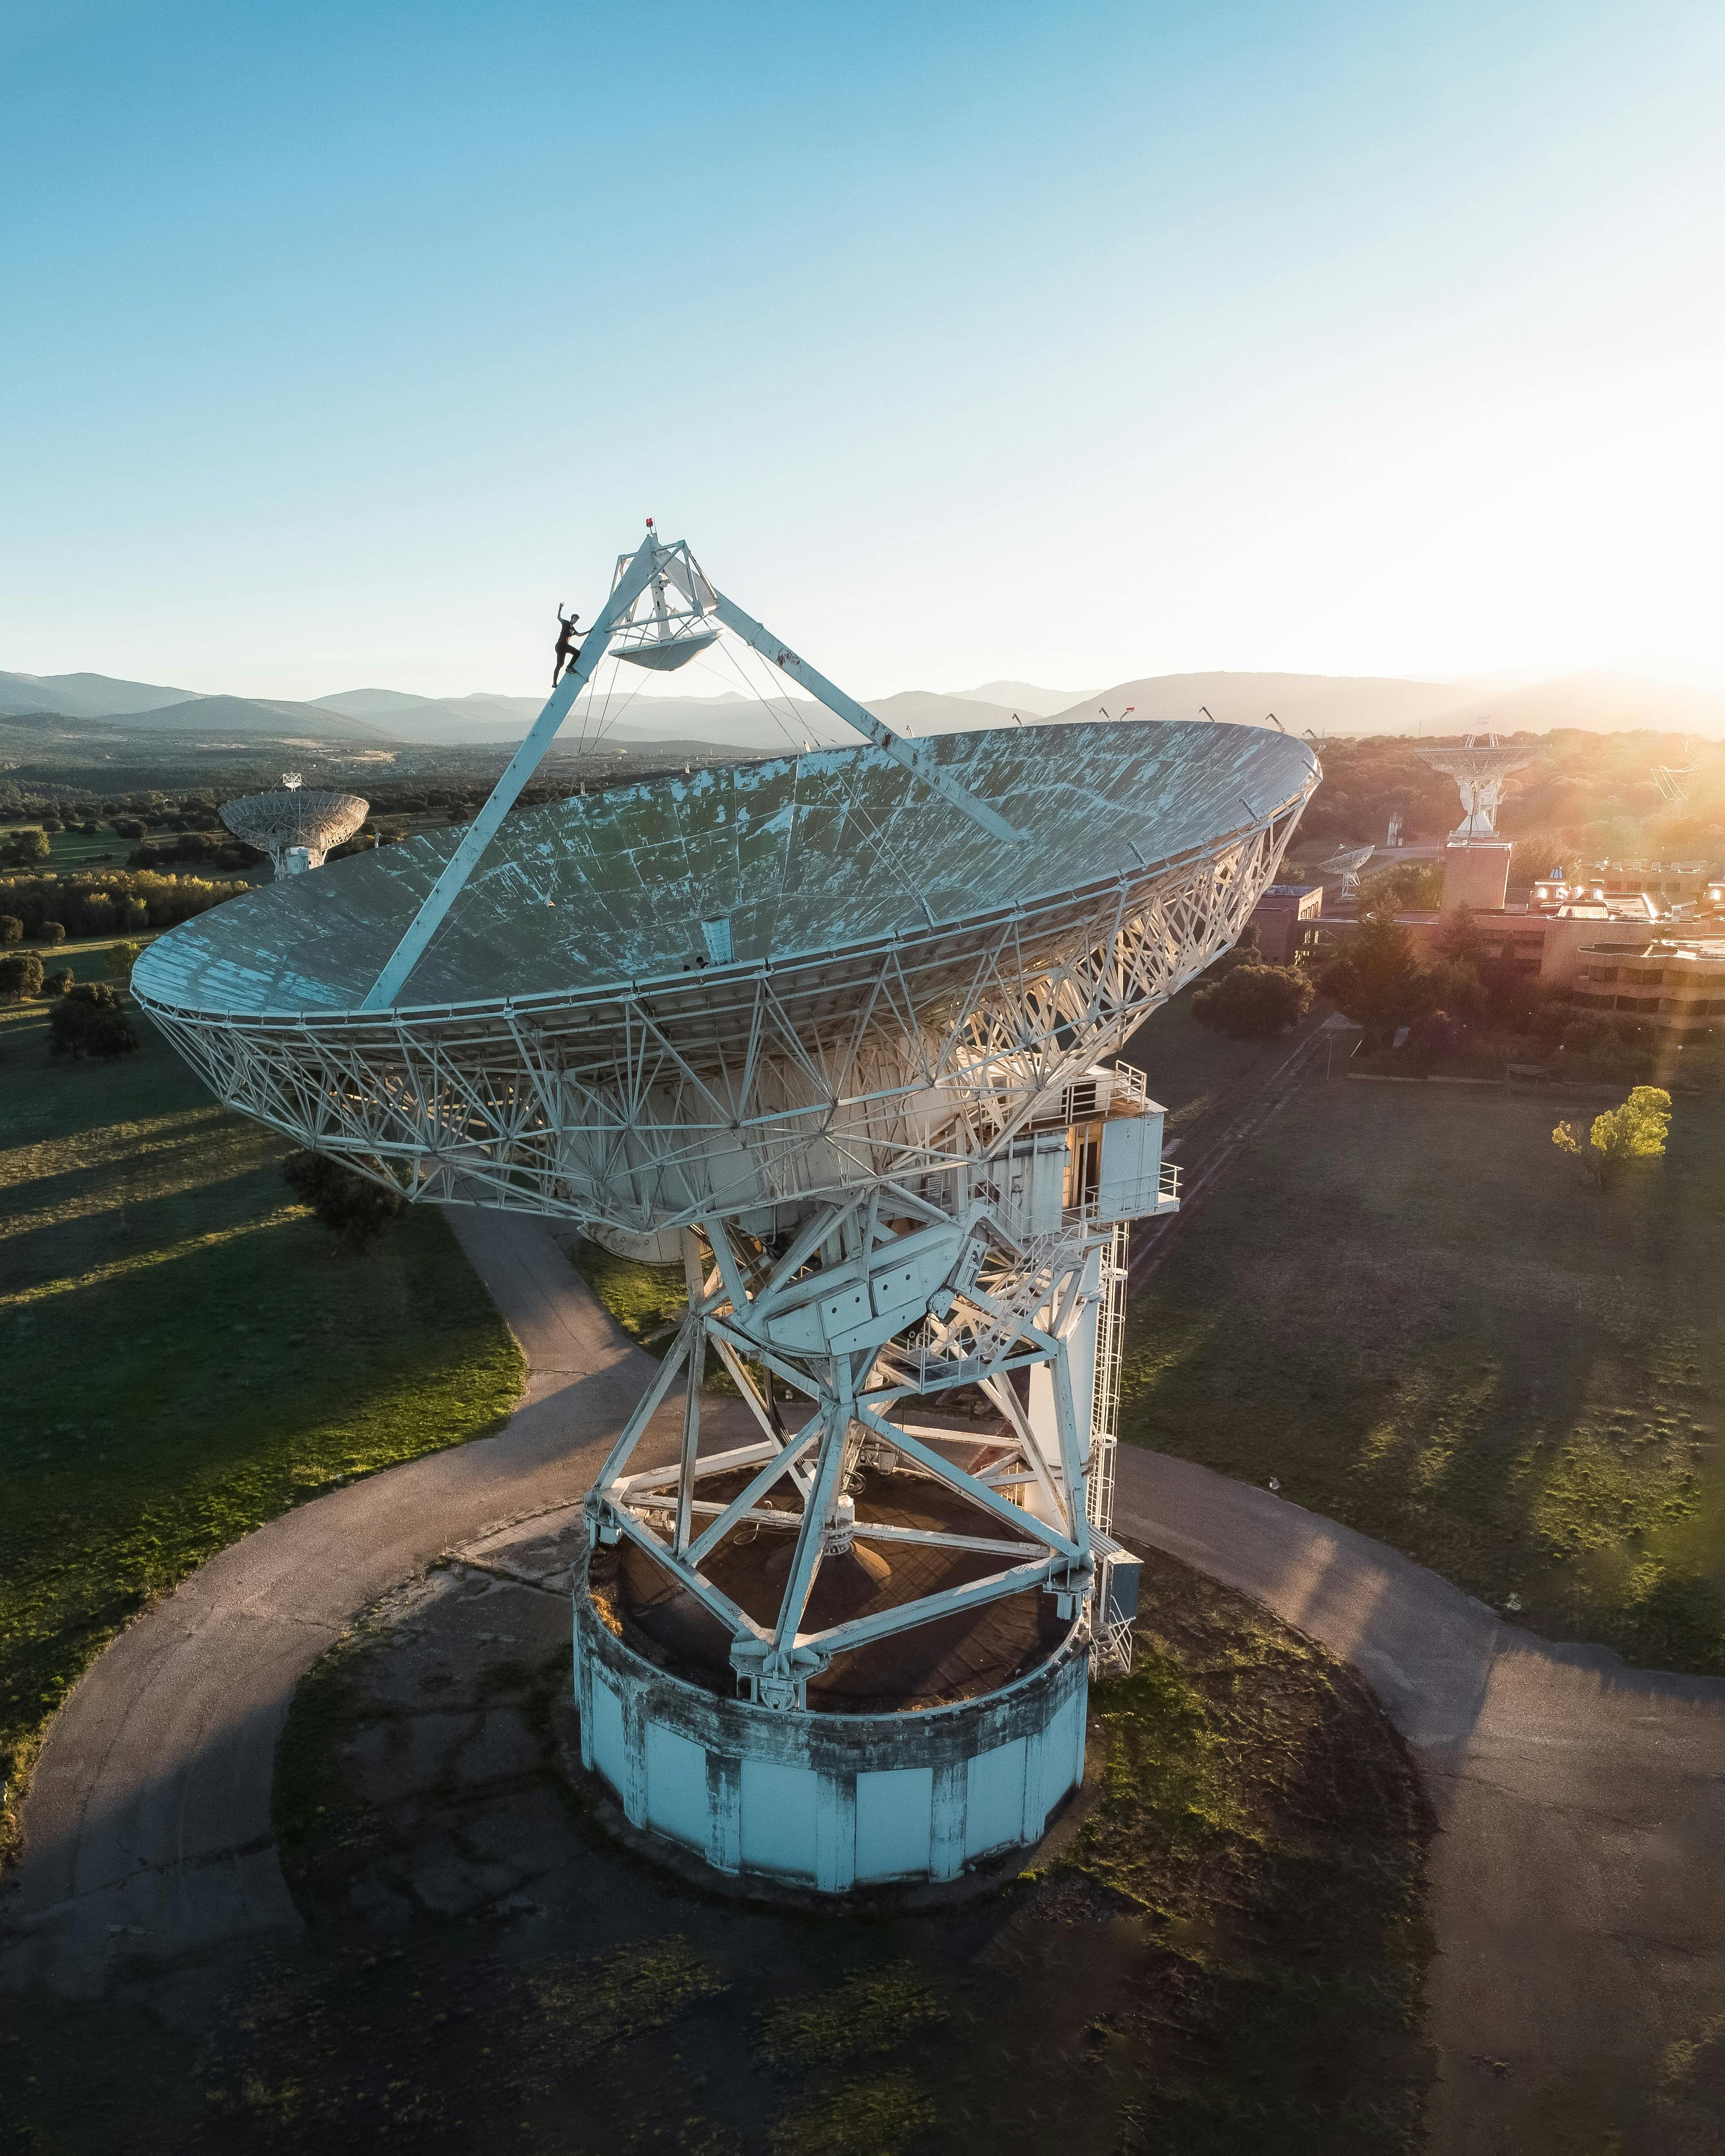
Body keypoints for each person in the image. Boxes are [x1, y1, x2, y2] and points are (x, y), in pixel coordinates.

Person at [552, 605, 582, 687]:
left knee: (577, 653)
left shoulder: (573, 629)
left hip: (566, 646)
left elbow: (579, 635)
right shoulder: (566, 623)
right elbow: (559, 618)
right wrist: (560, 608)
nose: (575, 620)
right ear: (572, 618)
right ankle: (555, 683)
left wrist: (589, 631)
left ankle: (569, 667)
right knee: (560, 664)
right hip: (560, 646)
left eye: (576, 620)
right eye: (574, 619)